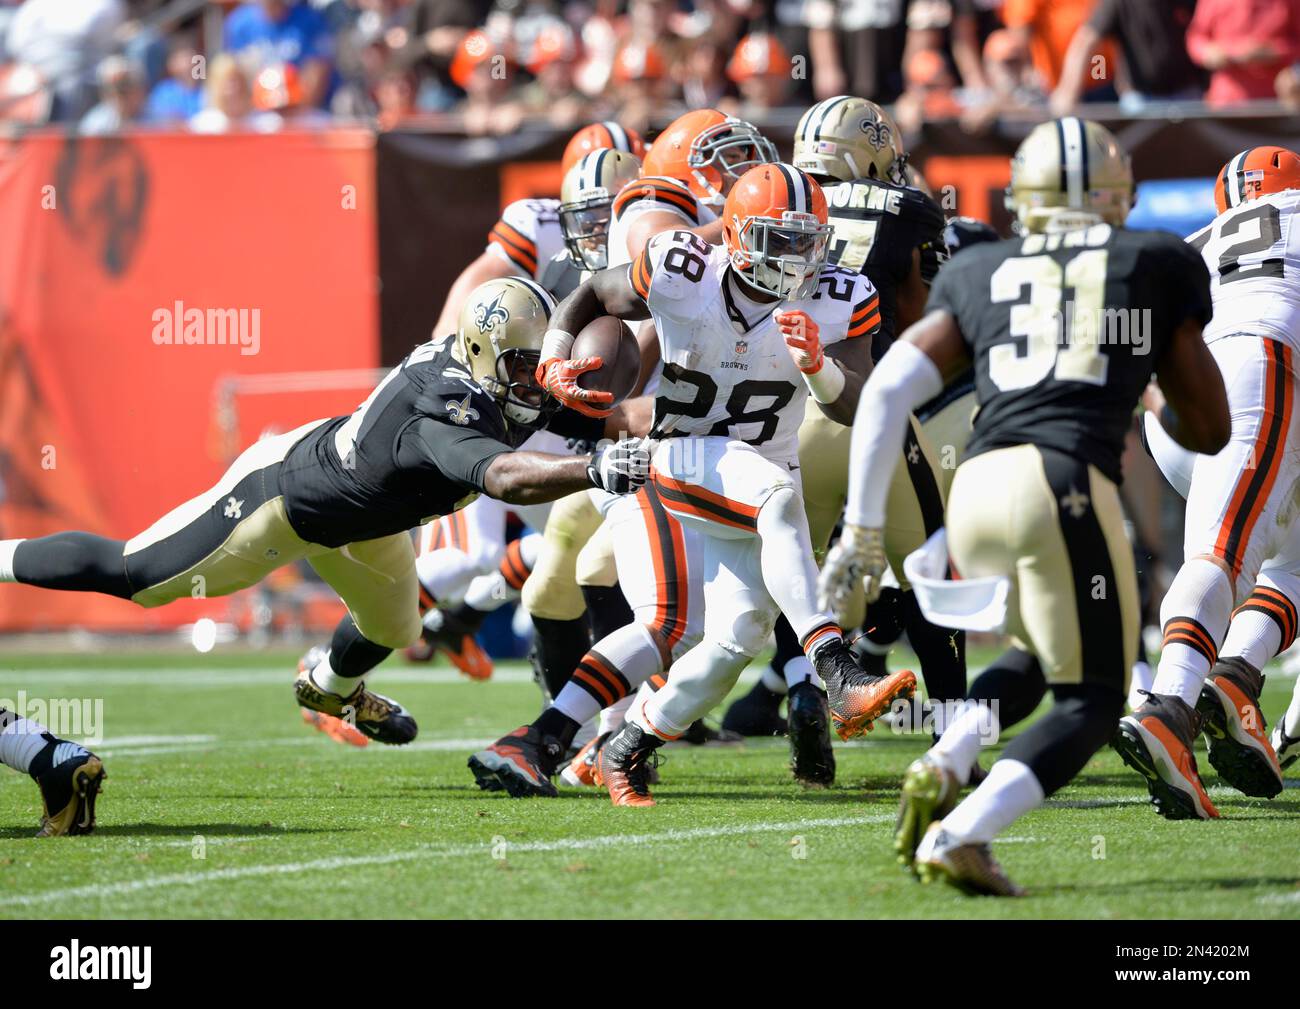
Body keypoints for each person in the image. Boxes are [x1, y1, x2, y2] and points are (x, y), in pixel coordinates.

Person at [820, 117, 1229, 894]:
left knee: (1041, 658)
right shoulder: (1154, 260)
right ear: (1119, 195)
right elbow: (1209, 428)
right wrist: (1148, 395)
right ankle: (964, 831)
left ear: (1023, 195)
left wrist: (866, 530)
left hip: (974, 483)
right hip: (1065, 481)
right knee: (1097, 696)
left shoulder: (981, 270)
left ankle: (944, 759)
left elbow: (889, 391)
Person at [0, 278, 652, 747]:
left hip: (370, 517)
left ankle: (329, 686)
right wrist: (594, 467)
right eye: (525, 364)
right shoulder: (445, 404)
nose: (537, 377)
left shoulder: (506, 367)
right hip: (284, 503)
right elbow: (505, 478)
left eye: (545, 362)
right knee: (135, 573)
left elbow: (598, 307)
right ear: (485, 355)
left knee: (395, 626)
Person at [538, 162, 917, 805]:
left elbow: (852, 405)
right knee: (777, 499)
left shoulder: (839, 296)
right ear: (737, 236)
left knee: (737, 638)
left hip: (759, 464)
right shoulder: (685, 272)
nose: (798, 257)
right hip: (680, 452)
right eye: (781, 239)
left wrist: (820, 369)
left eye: (808, 239)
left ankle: (627, 746)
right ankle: (836, 669)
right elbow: (596, 293)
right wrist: (553, 350)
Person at [1123, 146, 1300, 813]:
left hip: (1177, 404)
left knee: (1283, 554)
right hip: (1260, 365)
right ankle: (1170, 704)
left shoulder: (1197, 238)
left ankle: (1234, 677)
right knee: (1225, 553)